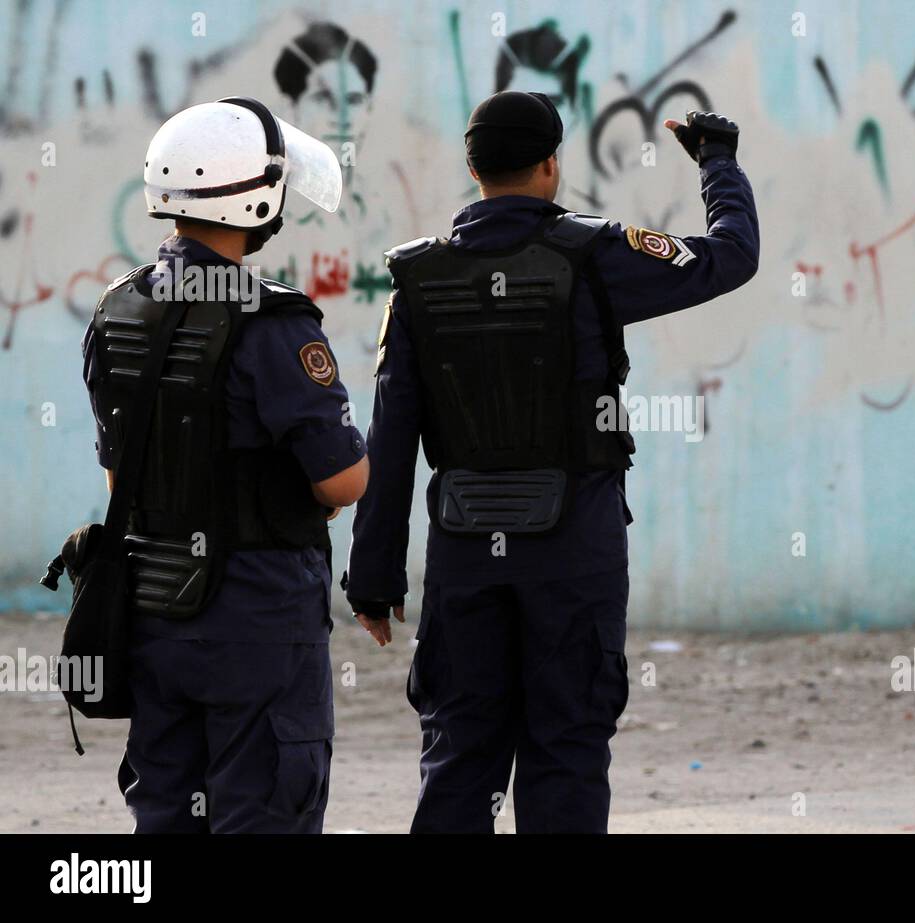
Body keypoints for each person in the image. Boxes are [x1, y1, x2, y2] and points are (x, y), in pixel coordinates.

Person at [345, 91, 758, 833]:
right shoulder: (596, 255)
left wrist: (373, 576)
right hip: (575, 547)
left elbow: (391, 437)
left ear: (472, 168)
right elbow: (730, 257)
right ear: (550, 165)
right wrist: (718, 163)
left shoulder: (416, 281)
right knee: (565, 748)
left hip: (465, 551)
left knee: (460, 759)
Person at [81, 96, 368, 833]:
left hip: (153, 604)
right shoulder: (273, 320)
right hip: (258, 613)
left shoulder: (117, 307)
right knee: (266, 806)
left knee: (166, 811)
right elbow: (341, 480)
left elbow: (122, 480)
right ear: (258, 198)